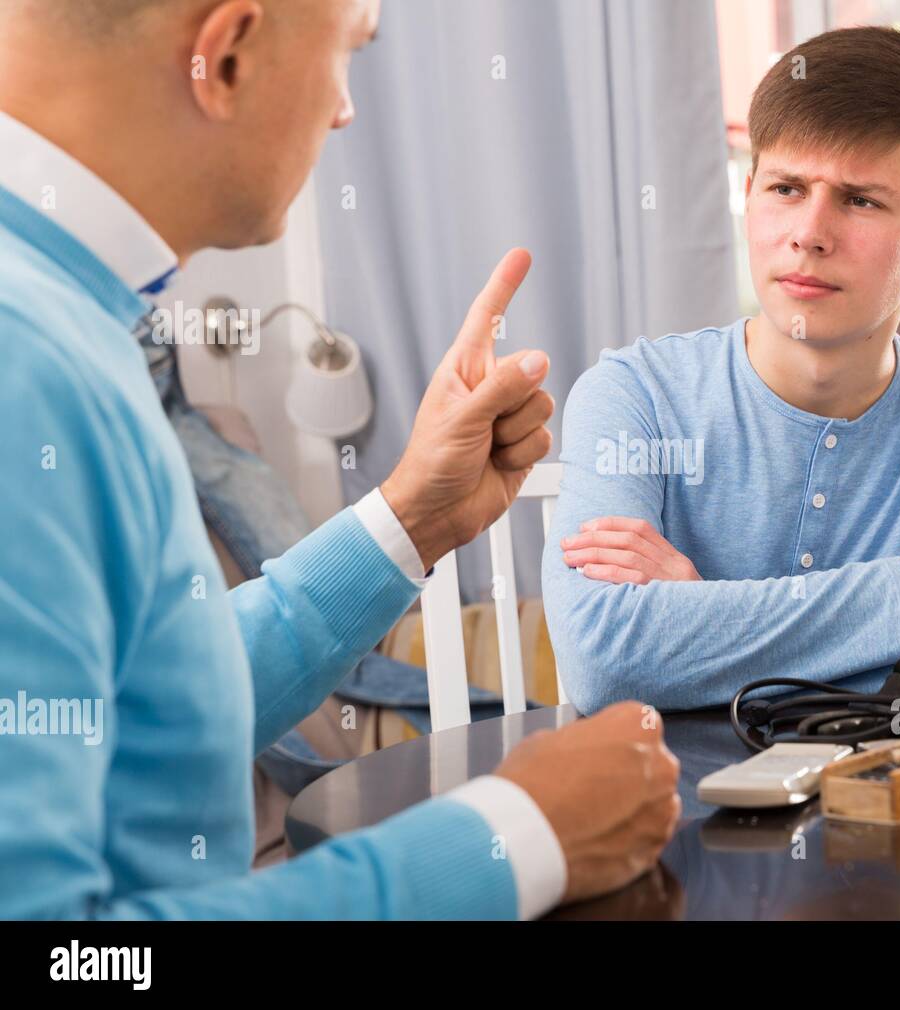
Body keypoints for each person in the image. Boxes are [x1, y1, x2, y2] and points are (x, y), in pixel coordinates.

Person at [0, 0, 679, 920]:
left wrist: (415, 517)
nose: (343, 111)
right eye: (346, 55)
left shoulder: (60, 317)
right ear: (228, 56)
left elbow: (150, 699)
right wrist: (514, 837)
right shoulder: (28, 365)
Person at [542, 25, 900, 713]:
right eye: (784, 188)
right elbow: (606, 660)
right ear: (748, 197)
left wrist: (707, 625)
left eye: (860, 199)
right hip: (679, 810)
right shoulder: (634, 396)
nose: (809, 233)